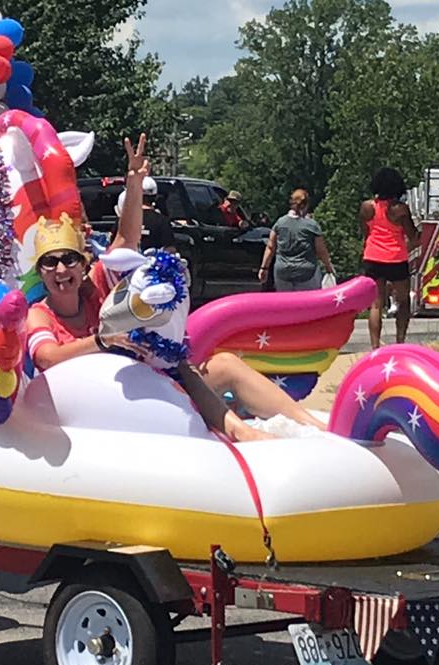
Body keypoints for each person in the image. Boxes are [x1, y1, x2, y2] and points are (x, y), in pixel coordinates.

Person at [27, 137, 327, 443]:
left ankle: (311, 426)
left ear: (82, 263)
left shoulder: (95, 286)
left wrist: (134, 184)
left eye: (69, 260)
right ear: (40, 271)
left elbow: (126, 240)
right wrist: (102, 341)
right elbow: (48, 358)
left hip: (145, 384)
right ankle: (241, 433)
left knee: (220, 364)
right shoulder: (39, 314)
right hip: (100, 404)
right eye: (50, 263)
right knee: (179, 368)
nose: (61, 270)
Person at [359, 167, 421, 349]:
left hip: (372, 257)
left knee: (376, 305)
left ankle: (374, 346)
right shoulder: (400, 210)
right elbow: (412, 235)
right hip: (396, 258)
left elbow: (366, 232)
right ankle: (400, 341)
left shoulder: (367, 207)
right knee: (403, 301)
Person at [258, 189, 336, 292]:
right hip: (307, 273)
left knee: (286, 305)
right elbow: (321, 250)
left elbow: (270, 247)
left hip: (283, 272)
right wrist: (328, 267)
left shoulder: (280, 223)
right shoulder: (312, 225)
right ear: (307, 204)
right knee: (308, 305)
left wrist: (264, 268)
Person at [112, 177, 175, 253]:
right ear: (154, 197)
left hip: (126, 263)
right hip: (152, 263)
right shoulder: (162, 221)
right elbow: (170, 248)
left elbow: (113, 245)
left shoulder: (124, 220)